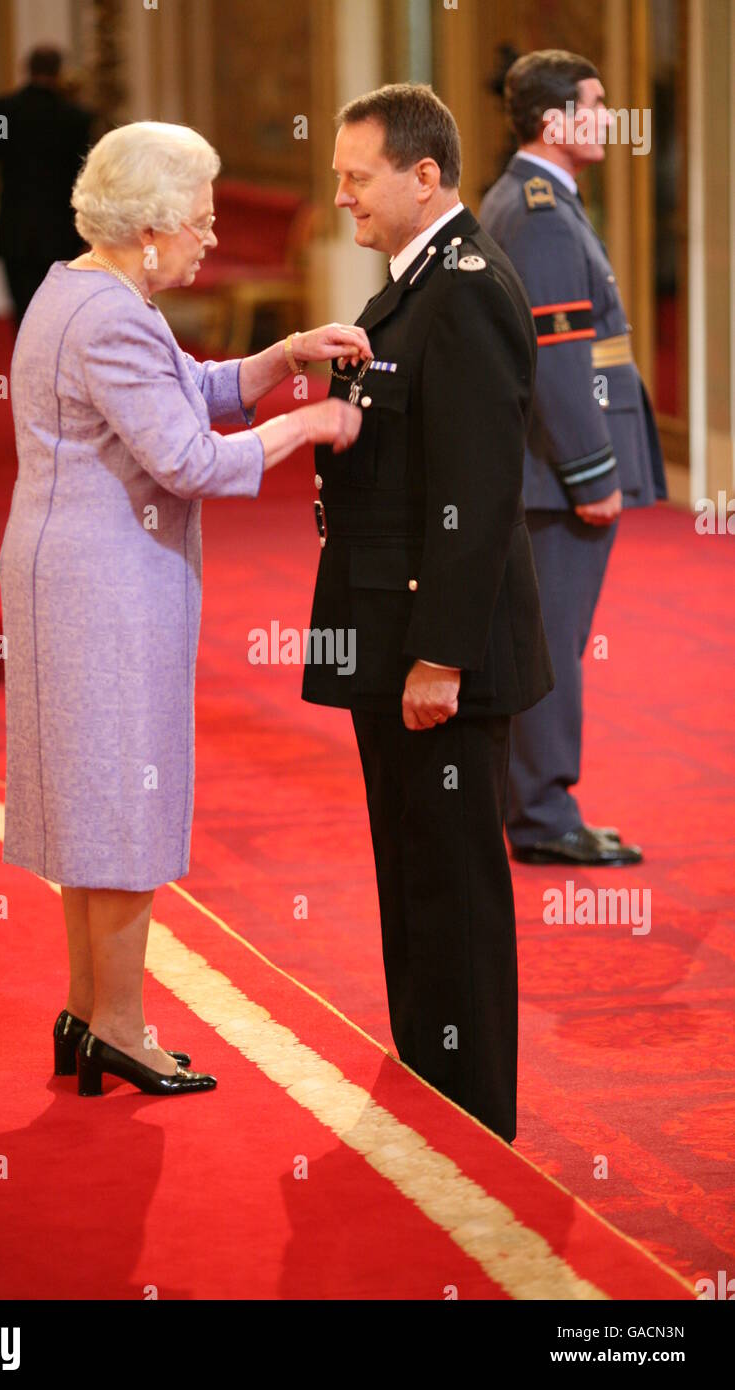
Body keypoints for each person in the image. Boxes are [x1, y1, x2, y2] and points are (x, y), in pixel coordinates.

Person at [0, 120, 367, 1099]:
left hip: (70, 573)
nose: (210, 238)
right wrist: (311, 421)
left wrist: (285, 354)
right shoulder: (114, 314)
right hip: (103, 584)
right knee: (120, 799)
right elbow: (186, 457)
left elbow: (186, 389)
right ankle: (119, 1024)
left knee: (91, 797)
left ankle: (87, 1011)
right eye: (199, 222)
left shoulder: (81, 288)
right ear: (152, 226)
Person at [301, 84, 554, 1145]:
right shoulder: (410, 286)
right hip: (386, 632)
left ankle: (473, 1124)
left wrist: (440, 657)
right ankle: (425, 1086)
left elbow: (481, 490)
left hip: (433, 651)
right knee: (407, 869)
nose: (343, 196)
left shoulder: (464, 288)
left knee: (449, 886)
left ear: (423, 176)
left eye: (357, 177)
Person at [479, 49, 667, 867]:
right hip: (556, 477)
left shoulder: (528, 198)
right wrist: (593, 475)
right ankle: (544, 813)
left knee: (542, 637)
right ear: (554, 123)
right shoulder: (543, 210)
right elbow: (559, 364)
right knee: (551, 642)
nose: (608, 119)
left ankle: (530, 803)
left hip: (544, 471)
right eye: (595, 106)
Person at [0, 45, 95, 326]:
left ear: (26, 68)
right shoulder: (75, 117)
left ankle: (26, 360)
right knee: (57, 305)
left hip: (15, 226)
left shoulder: (2, 114)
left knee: (22, 307)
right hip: (60, 229)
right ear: (59, 72)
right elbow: (85, 174)